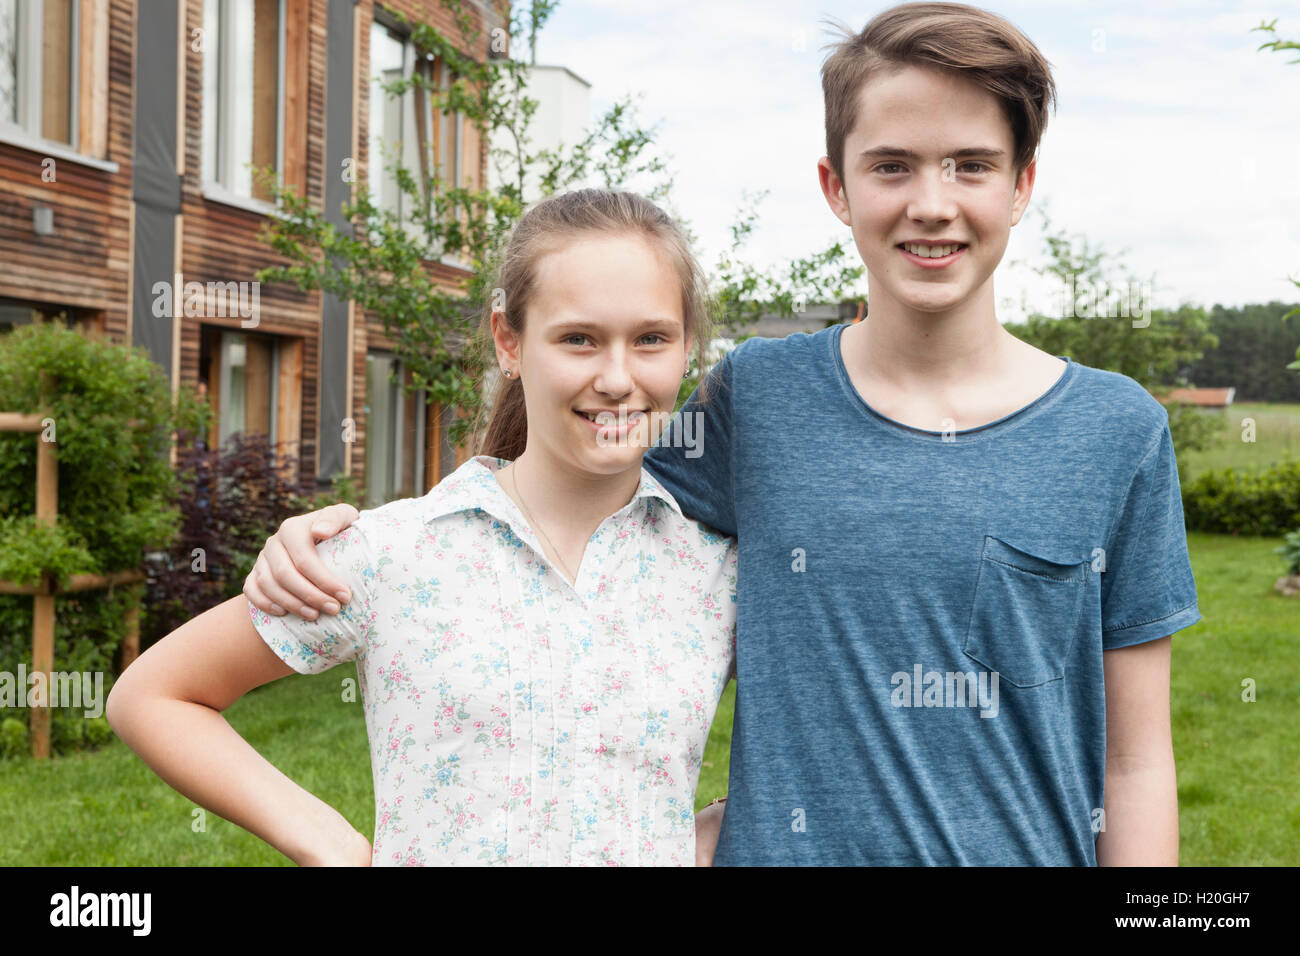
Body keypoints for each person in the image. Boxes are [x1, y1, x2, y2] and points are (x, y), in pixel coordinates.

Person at [249, 2, 1202, 865]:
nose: (932, 201)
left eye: (971, 165)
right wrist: (343, 541)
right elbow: (570, 476)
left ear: (1022, 181)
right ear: (836, 186)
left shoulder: (1117, 432)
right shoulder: (758, 396)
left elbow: (1138, 764)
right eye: (892, 166)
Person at [107, 189, 739, 866]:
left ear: (686, 349)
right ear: (509, 341)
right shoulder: (396, 552)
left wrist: (715, 832)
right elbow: (153, 695)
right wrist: (332, 846)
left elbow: (841, 733)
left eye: (650, 339)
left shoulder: (717, 576)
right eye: (578, 338)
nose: (617, 378)